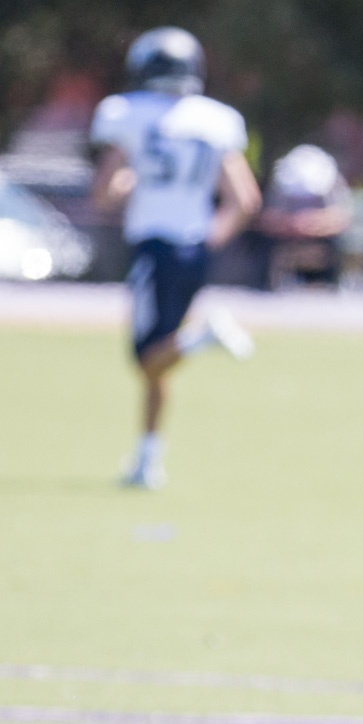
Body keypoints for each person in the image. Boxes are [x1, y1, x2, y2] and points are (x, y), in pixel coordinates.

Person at [89, 26, 262, 489]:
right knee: (160, 359)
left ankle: (204, 338)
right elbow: (245, 199)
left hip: (154, 243)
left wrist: (130, 187)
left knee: (146, 357)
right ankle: (148, 460)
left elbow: (105, 192)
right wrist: (211, 238)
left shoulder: (128, 114)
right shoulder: (217, 120)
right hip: (194, 249)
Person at [259, 144, 353, 290]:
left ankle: (330, 286)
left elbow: (343, 217)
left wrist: (315, 223)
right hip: (288, 238)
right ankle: (266, 286)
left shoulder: (333, 183)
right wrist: (291, 224)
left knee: (339, 242)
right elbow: (267, 219)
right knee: (265, 243)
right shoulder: (279, 185)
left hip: (322, 239)